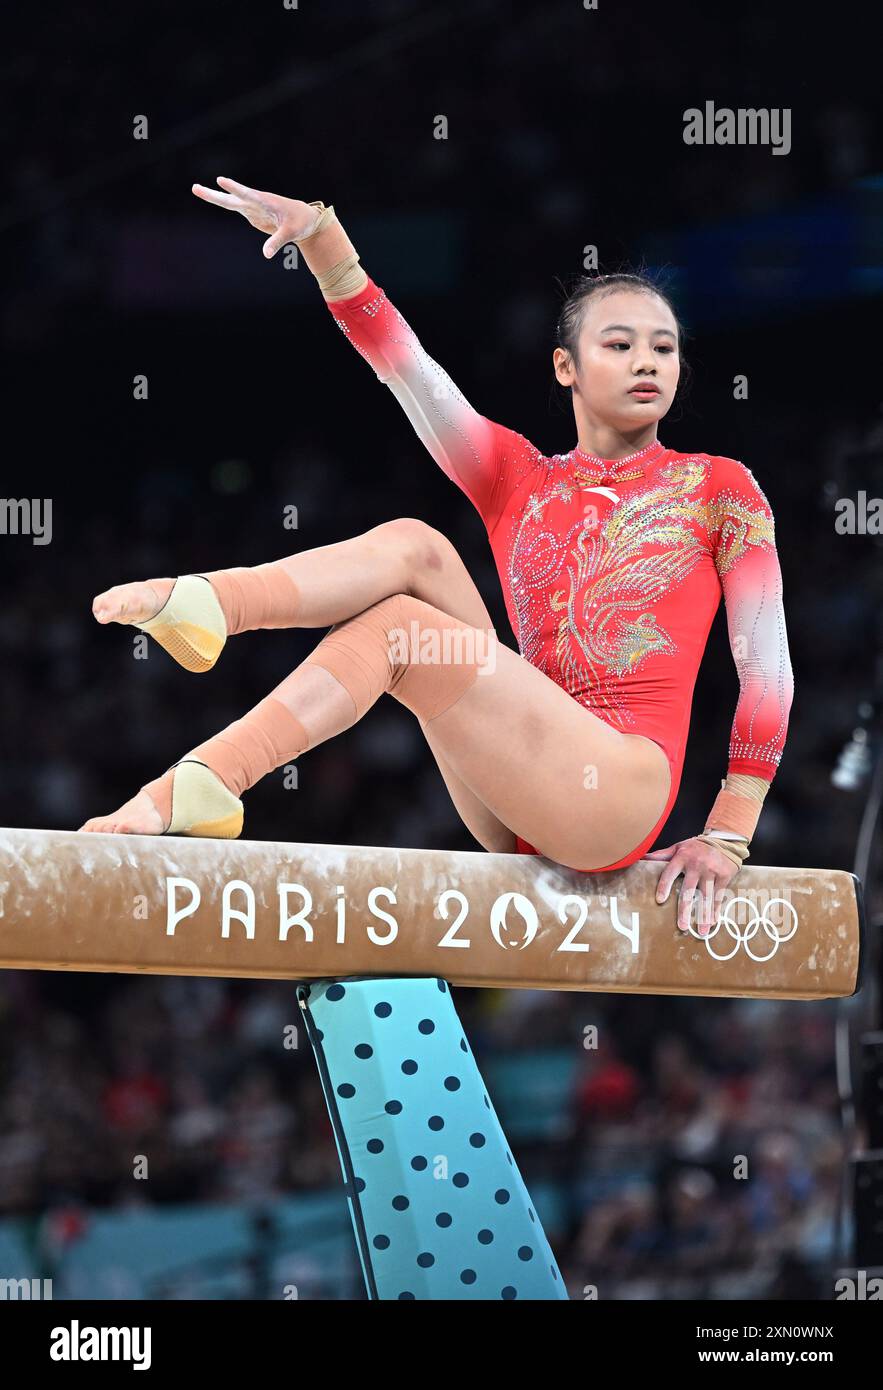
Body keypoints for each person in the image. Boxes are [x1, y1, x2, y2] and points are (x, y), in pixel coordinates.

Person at [80, 179, 794, 934]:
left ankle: (199, 782)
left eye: (663, 347)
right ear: (565, 367)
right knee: (416, 547)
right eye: (617, 345)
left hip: (613, 797)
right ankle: (215, 605)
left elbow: (767, 673)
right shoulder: (517, 476)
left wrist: (727, 831)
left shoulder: (717, 488)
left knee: (399, 630)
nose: (645, 361)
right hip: (513, 788)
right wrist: (324, 241)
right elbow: (404, 366)